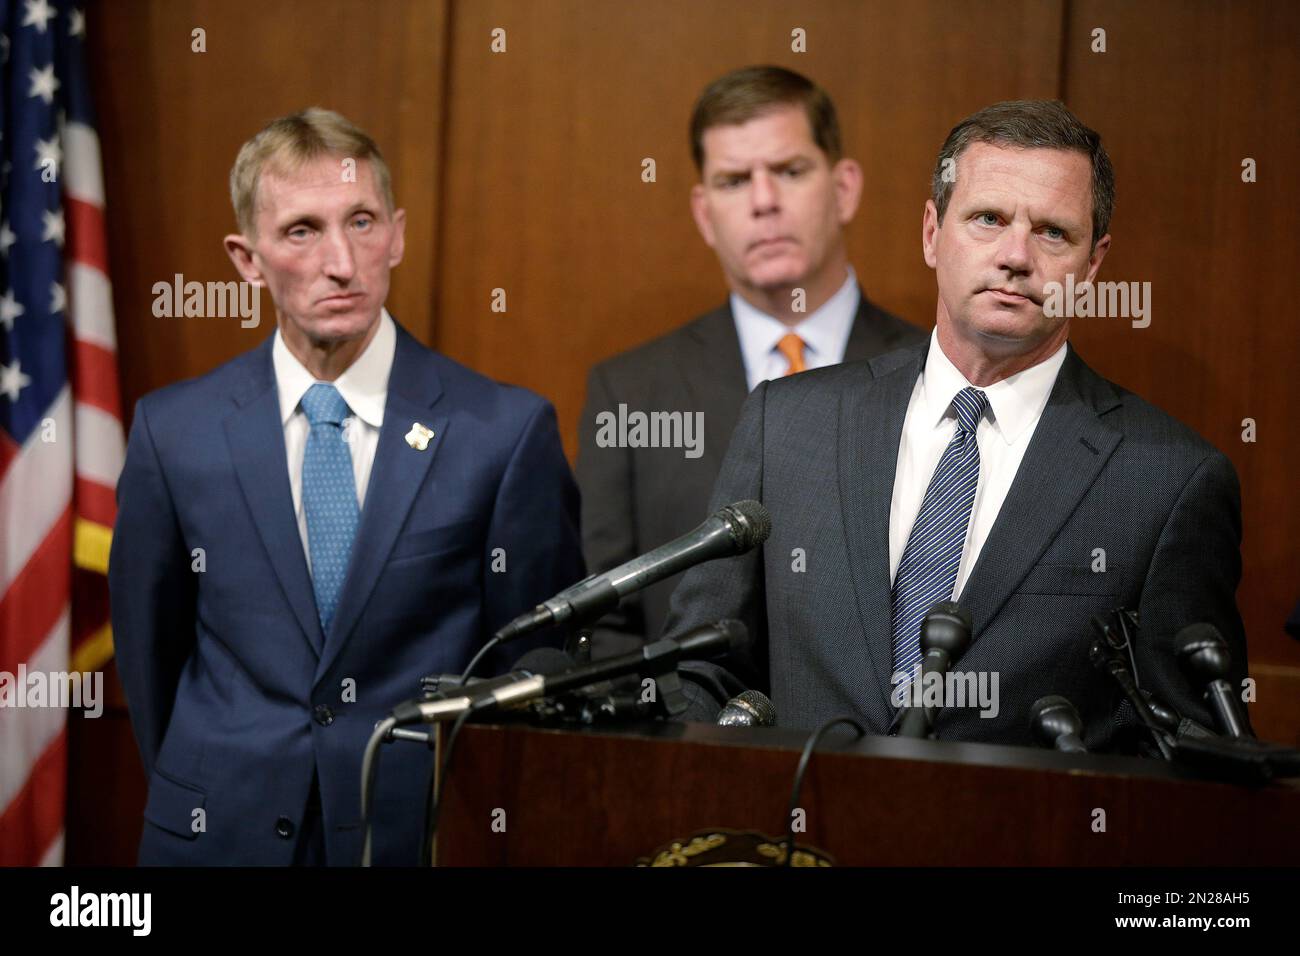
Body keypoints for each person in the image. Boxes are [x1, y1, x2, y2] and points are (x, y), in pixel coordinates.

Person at [661, 100, 1249, 750]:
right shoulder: (788, 422)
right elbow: (706, 668)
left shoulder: (1168, 479)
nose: (1016, 255)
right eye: (988, 219)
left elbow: (1192, 750)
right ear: (932, 232)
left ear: (1094, 265)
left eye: (1053, 232)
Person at [109, 108, 584, 865]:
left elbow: (531, 671)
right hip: (217, 835)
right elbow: (149, 653)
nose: (342, 260)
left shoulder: (503, 432)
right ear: (247, 258)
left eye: (361, 222)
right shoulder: (174, 434)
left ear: (395, 233)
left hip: (420, 837)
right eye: (302, 231)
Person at [577, 66, 923, 656]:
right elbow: (603, 625)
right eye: (735, 181)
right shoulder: (630, 392)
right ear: (705, 213)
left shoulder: (934, 372)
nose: (764, 202)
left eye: (789, 172)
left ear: (843, 188)